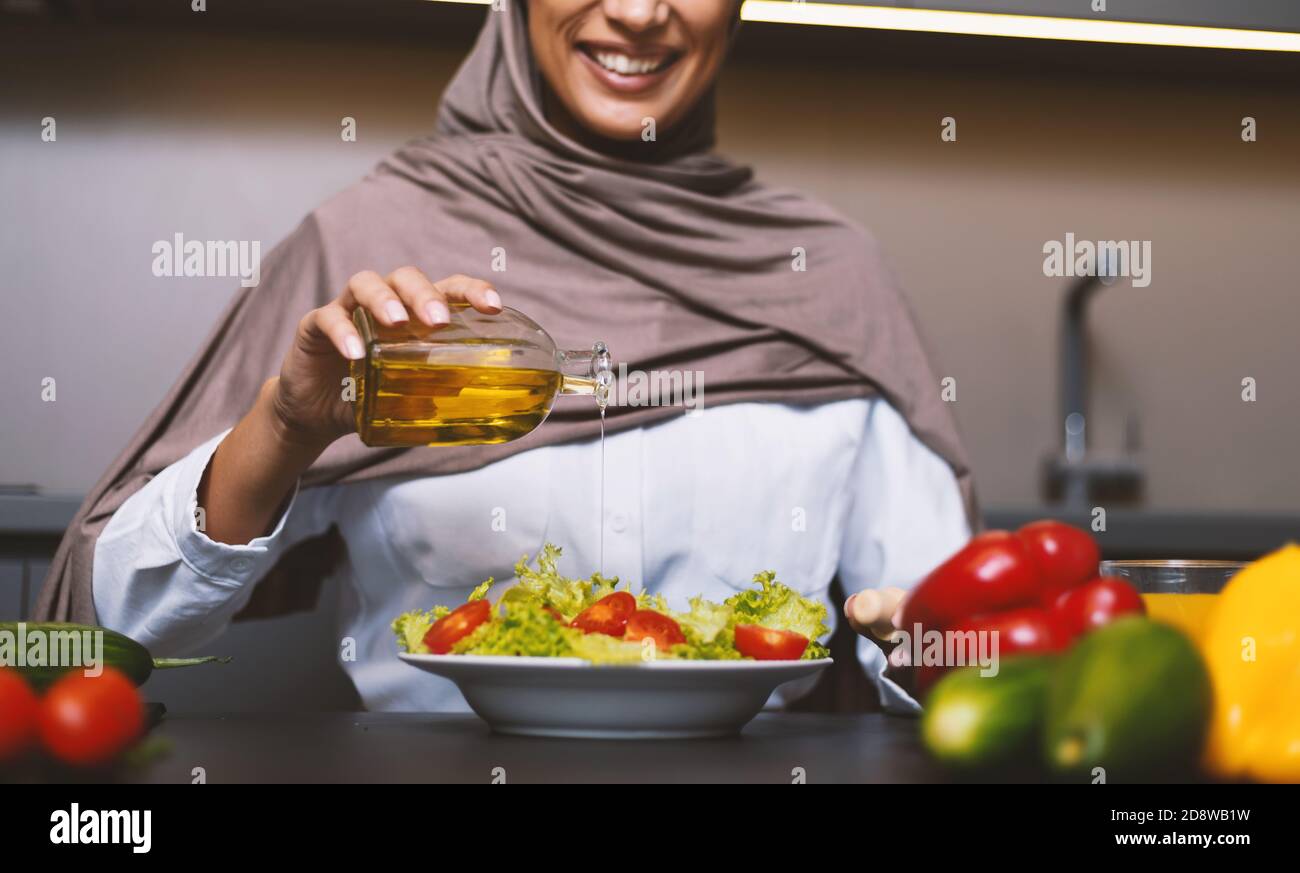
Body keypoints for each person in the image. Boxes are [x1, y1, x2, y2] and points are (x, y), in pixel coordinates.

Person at [38, 0, 974, 713]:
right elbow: (117, 626)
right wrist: (283, 428)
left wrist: (931, 646)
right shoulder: (368, 247)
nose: (642, 14)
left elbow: (959, 647)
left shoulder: (832, 274)